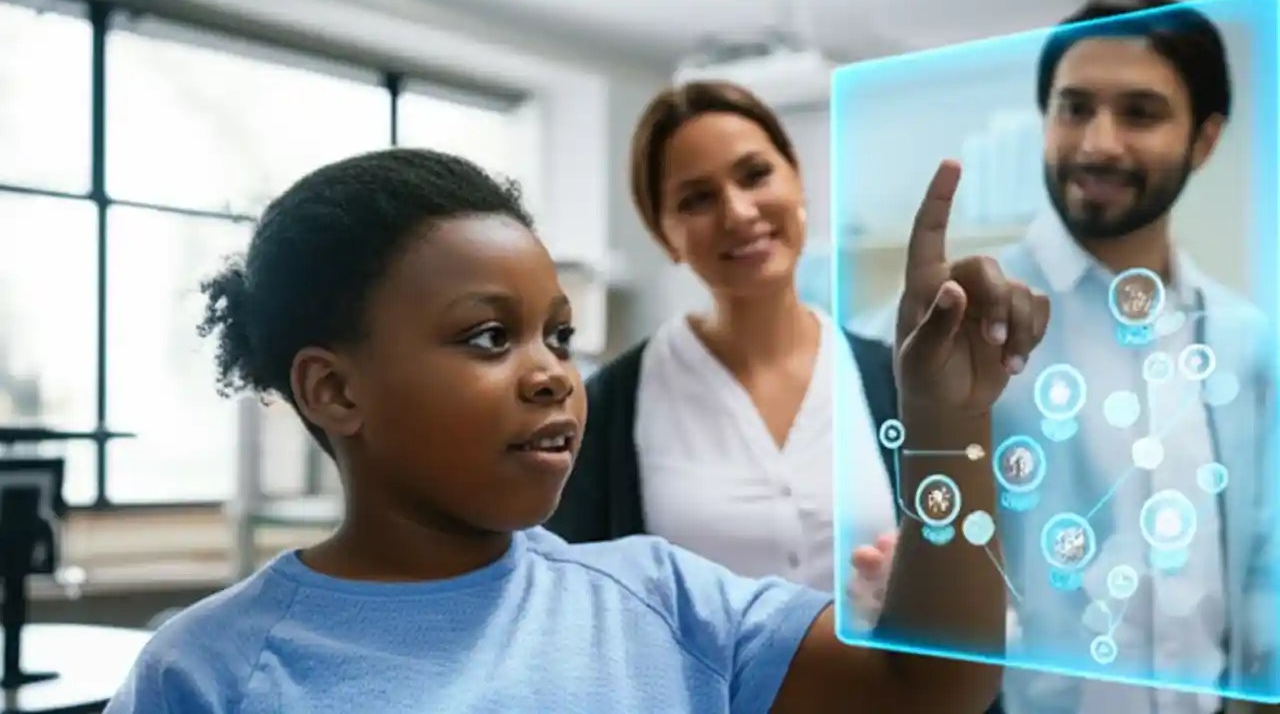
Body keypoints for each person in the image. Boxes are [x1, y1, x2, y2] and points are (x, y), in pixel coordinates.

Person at [102, 147, 1047, 712]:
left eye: (559, 334)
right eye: (487, 337)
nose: (554, 371)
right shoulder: (207, 671)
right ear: (334, 391)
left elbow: (929, 687)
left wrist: (946, 425)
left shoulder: (661, 601)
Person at [853, 0, 1278, 713]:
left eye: (1140, 113)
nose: (1097, 144)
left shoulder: (1244, 342)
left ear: (1204, 140)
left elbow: (1263, 568)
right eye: (1073, 108)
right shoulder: (942, 336)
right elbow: (888, 574)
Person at [547, 81, 903, 601]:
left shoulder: (895, 382)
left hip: (878, 685)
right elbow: (578, 605)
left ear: (798, 181)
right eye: (697, 199)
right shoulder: (608, 408)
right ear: (664, 234)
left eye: (755, 175)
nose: (737, 212)